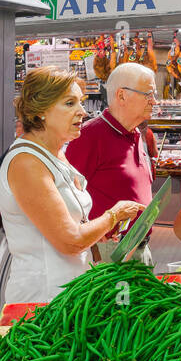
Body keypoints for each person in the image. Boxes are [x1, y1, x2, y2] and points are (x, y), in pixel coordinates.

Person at [0, 68, 144, 306]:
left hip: (70, 293)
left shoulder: (55, 154)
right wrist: (114, 214)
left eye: (81, 103)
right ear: (41, 111)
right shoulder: (27, 162)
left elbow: (74, 227)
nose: (82, 112)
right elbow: (69, 241)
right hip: (43, 299)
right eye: (69, 103)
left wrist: (98, 235)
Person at [65, 62, 157, 241]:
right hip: (108, 252)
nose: (154, 101)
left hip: (139, 248)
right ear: (121, 96)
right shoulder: (89, 136)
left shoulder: (136, 132)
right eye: (149, 94)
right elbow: (67, 197)